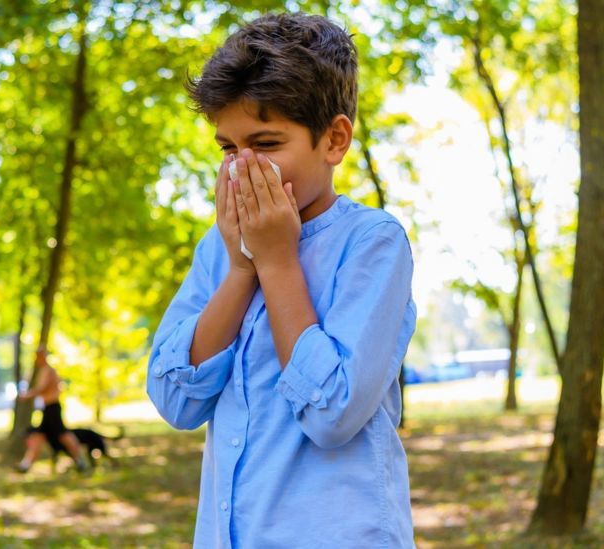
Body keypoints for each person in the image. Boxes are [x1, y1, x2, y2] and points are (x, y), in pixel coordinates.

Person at [146, 13, 417, 548]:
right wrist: (243, 267)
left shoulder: (373, 243)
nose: (241, 168)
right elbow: (176, 400)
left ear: (334, 140)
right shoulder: (219, 247)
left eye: (266, 144)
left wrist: (275, 262)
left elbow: (333, 413)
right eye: (228, 148)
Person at [15, 347, 89, 473]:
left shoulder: (47, 370)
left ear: (42, 356)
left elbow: (41, 388)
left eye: (37, 356)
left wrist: (27, 395)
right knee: (38, 435)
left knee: (63, 434)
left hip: (52, 408)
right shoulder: (46, 370)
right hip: (48, 408)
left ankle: (80, 461)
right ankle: (25, 464)